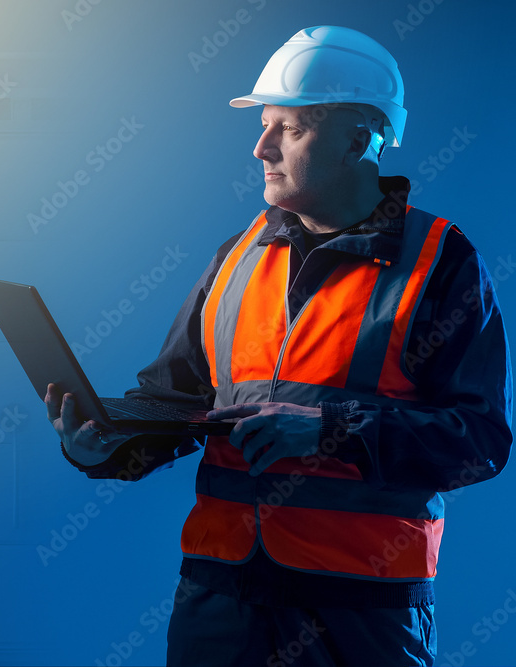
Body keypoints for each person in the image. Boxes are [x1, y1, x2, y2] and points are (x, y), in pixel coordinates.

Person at [45, 25, 512, 667]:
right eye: (263, 126)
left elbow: (479, 442)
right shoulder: (236, 257)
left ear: (361, 138)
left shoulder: (441, 263)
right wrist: (106, 446)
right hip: (219, 599)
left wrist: (330, 430)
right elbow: (175, 404)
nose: (262, 147)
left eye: (288, 128)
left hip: (360, 609)